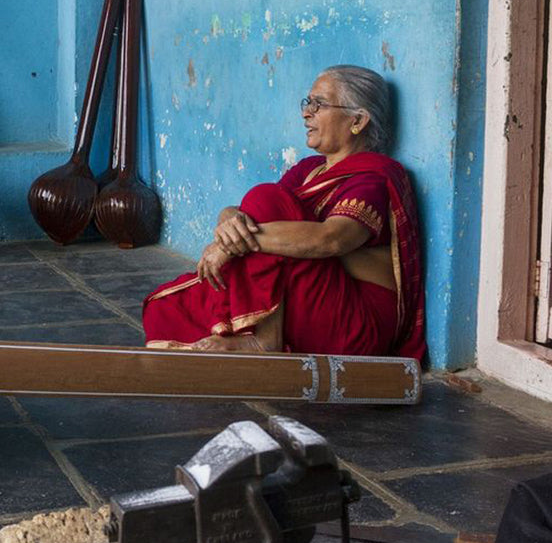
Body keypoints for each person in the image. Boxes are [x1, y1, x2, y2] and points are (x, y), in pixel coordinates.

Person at [142, 65, 425, 359]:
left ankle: (265, 341)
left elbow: (331, 239)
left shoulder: (373, 179)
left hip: (356, 329)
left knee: (265, 197)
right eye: (308, 103)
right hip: (312, 306)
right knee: (165, 309)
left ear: (358, 120)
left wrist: (235, 245)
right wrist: (227, 222)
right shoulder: (309, 170)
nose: (306, 113)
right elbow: (253, 213)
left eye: (320, 104)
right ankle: (259, 333)